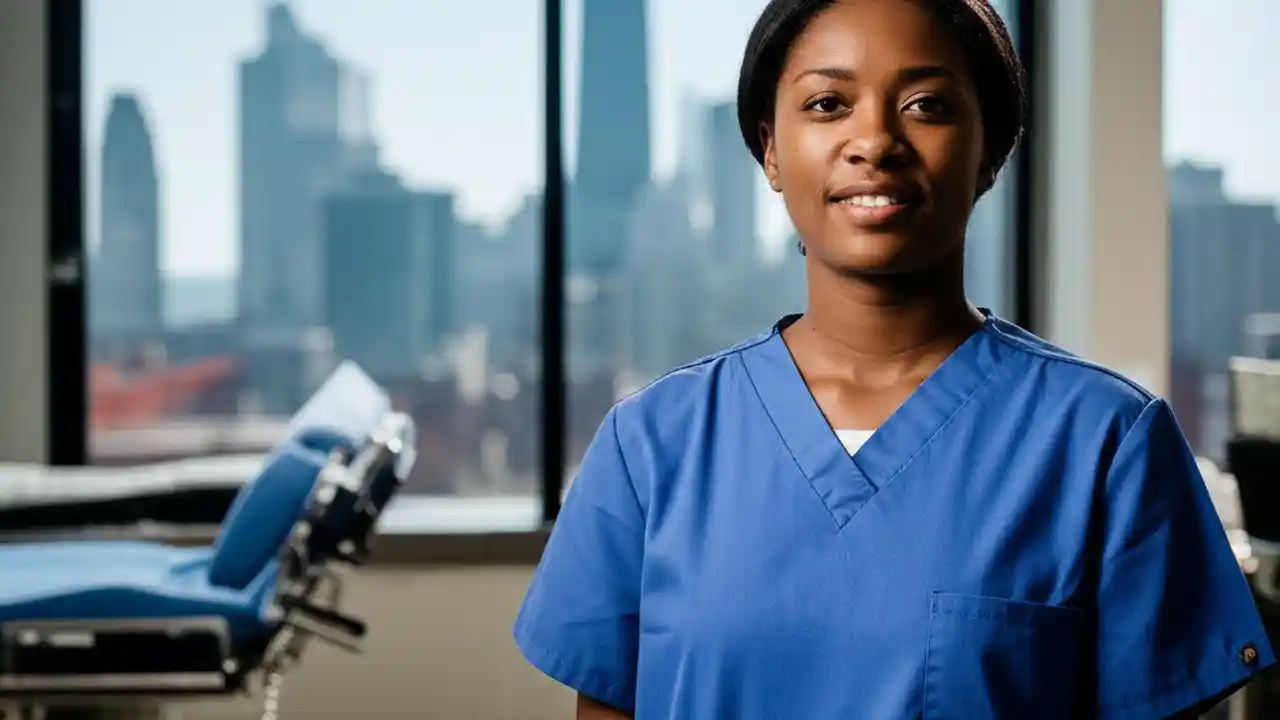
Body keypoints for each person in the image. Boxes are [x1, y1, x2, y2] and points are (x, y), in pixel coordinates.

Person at [512, 0, 1275, 717]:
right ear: (770, 151)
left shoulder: (1108, 444)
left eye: (927, 106)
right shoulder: (651, 445)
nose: (874, 140)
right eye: (826, 104)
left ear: (989, 152)